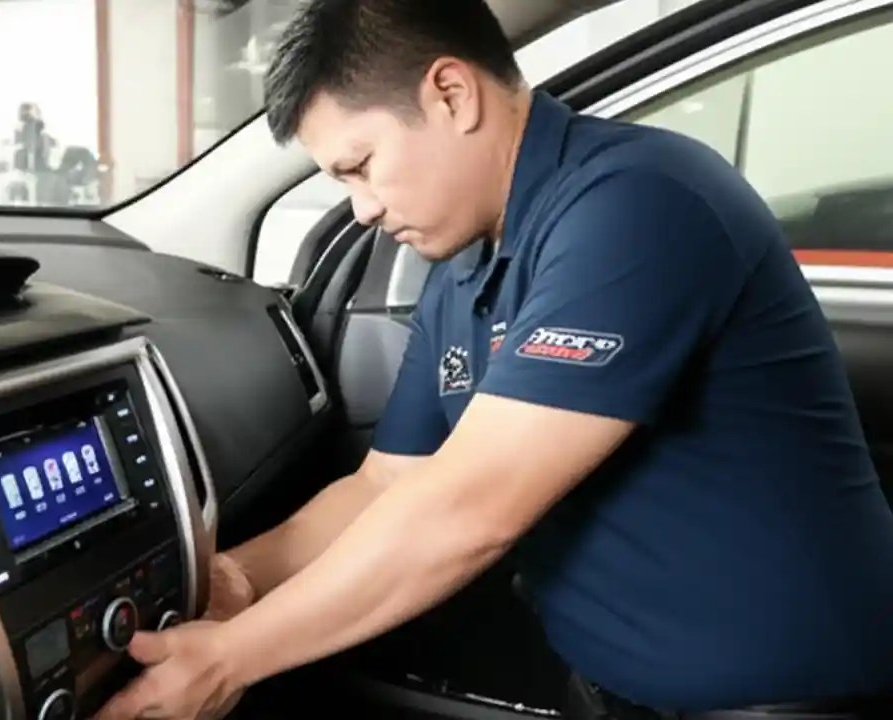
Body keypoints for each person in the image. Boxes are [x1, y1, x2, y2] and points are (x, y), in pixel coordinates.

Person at [95, 1, 893, 718]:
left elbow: (473, 509)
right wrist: (235, 577)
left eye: (361, 165)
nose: (363, 208)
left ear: (451, 94)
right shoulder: (466, 269)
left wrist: (235, 659)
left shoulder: (639, 203)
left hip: (780, 698)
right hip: (608, 686)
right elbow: (390, 484)